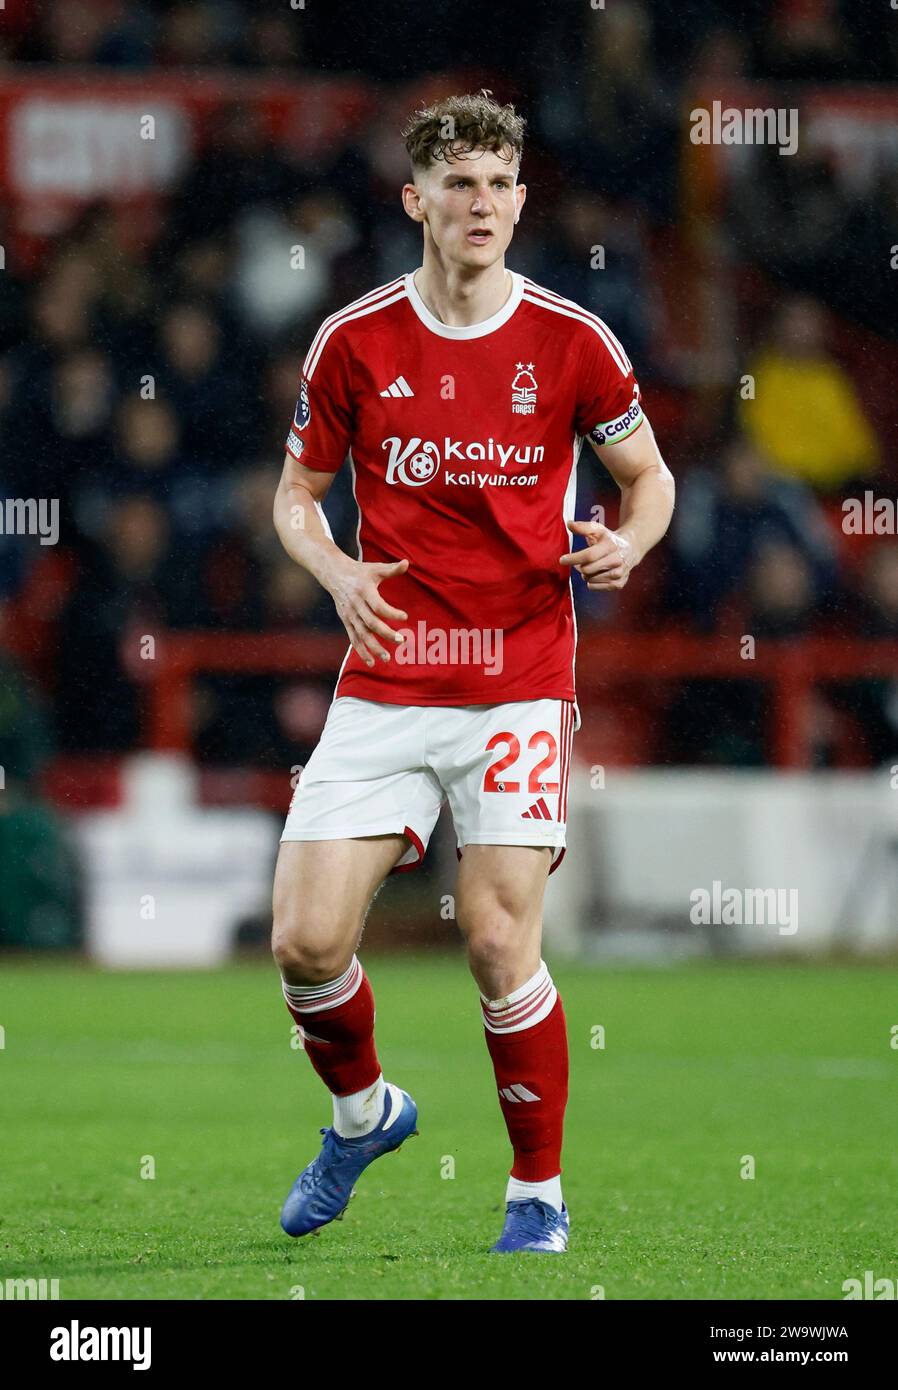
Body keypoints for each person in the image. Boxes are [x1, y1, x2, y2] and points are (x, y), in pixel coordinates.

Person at [270, 91, 675, 1253]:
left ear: (521, 201)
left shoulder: (572, 341)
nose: (481, 203)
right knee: (303, 942)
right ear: (417, 202)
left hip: (516, 673)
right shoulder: (353, 341)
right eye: (458, 183)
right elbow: (295, 498)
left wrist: (630, 542)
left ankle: (535, 1193)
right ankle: (363, 1114)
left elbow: (649, 480)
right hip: (390, 671)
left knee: (498, 939)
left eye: (500, 183)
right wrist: (337, 571)